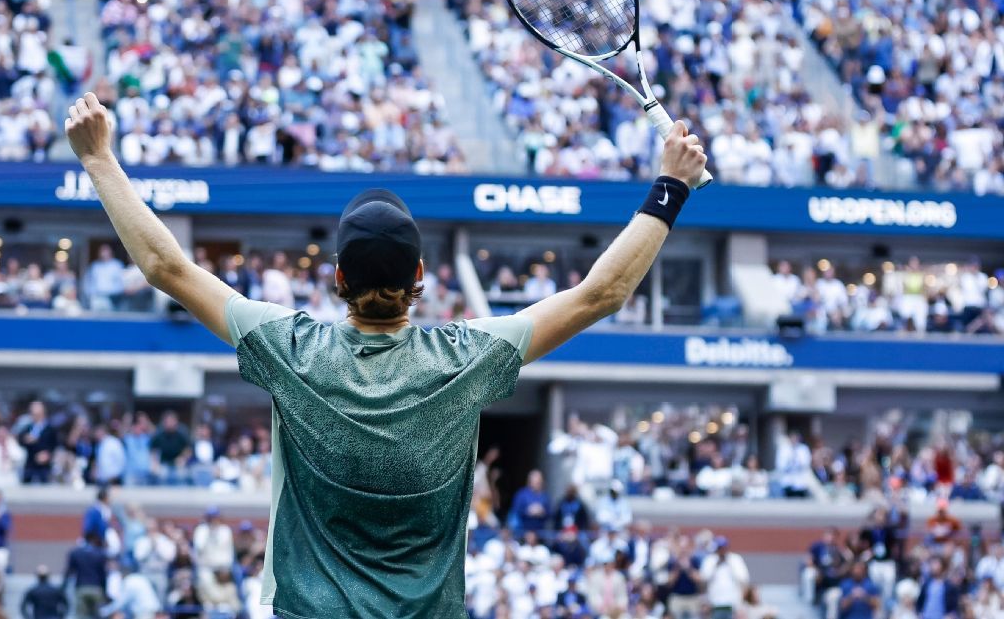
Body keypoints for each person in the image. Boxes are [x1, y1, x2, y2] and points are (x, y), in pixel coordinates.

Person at [63, 91, 708, 617]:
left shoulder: (291, 350)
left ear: (337, 279)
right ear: (420, 274)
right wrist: (670, 186)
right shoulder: (465, 359)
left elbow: (166, 266)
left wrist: (99, 160)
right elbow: (603, 293)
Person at [702, 537, 750, 619]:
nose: (722, 551)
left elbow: (744, 578)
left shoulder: (735, 559)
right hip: (715, 603)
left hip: (733, 603)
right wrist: (716, 565)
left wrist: (729, 564)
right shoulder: (710, 560)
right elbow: (704, 578)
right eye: (719, 548)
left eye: (723, 548)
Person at [64, 533, 108, 618]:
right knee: (97, 615)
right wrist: (104, 590)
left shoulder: (76, 553)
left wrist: (63, 586)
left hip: (81, 587)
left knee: (81, 615)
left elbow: (69, 571)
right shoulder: (99, 554)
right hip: (96, 587)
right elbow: (103, 574)